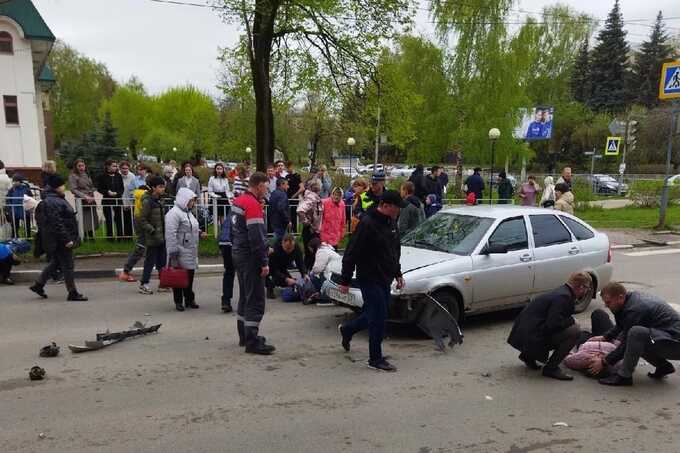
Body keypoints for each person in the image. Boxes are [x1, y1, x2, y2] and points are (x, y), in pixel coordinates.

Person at [338, 191, 405, 372]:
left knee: (372, 314)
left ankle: (348, 330)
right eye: (397, 208)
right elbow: (351, 252)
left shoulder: (391, 222)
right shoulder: (368, 224)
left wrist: (398, 273)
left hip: (385, 277)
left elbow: (394, 251)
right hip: (369, 277)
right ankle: (375, 358)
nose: (399, 211)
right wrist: (345, 280)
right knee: (379, 316)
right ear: (386, 206)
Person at [587, 283, 680, 386]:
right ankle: (664, 367)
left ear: (620, 297)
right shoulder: (627, 301)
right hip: (665, 336)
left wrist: (604, 362)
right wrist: (605, 337)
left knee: (636, 333)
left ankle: (624, 377)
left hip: (675, 344)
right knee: (639, 336)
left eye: (608, 302)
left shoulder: (635, 309)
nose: (606, 306)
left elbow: (626, 343)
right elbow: (622, 324)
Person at [507, 272, 593, 380]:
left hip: (523, 335)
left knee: (569, 327)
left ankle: (528, 356)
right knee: (575, 331)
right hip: (531, 338)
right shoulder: (564, 297)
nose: (586, 292)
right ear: (581, 287)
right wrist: (572, 321)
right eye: (587, 288)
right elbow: (552, 325)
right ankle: (551, 368)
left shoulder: (561, 291)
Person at [231, 172, 275, 355]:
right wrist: (264, 261)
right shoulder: (252, 205)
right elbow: (256, 238)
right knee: (256, 299)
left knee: (245, 296)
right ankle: (252, 341)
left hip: (239, 253)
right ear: (258, 186)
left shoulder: (239, 201)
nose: (267, 190)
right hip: (250, 257)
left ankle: (244, 336)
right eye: (266, 186)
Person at [30, 175, 88, 301]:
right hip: (61, 240)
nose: (64, 187)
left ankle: (38, 284)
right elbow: (57, 223)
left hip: (57, 239)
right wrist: (67, 239)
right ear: (56, 186)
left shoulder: (54, 199)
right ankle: (72, 292)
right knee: (68, 265)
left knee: (56, 262)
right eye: (62, 185)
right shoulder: (53, 201)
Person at [165, 187, 203, 311]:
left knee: (189, 276)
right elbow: (171, 233)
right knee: (178, 277)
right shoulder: (174, 213)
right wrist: (173, 252)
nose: (193, 203)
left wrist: (199, 232)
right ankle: (178, 301)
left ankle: (189, 299)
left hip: (190, 249)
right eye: (192, 200)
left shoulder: (187, 212)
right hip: (179, 250)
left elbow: (190, 227)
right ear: (184, 200)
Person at [136, 176, 167, 295]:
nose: (163, 189)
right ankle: (144, 284)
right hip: (152, 237)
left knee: (162, 261)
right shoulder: (148, 201)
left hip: (161, 236)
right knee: (150, 261)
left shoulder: (160, 199)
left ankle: (163, 283)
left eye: (163, 186)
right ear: (154, 188)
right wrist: (152, 230)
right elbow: (142, 219)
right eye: (160, 187)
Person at [266, 234, 307, 299]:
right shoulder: (275, 249)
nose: (289, 251)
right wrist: (286, 278)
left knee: (291, 283)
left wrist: (304, 274)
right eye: (287, 248)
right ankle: (270, 288)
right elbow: (274, 270)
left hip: (283, 267)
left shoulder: (296, 248)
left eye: (291, 248)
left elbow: (300, 263)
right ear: (282, 243)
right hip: (271, 269)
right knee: (273, 279)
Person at [297, 179, 323, 271]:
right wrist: (308, 223)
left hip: (314, 230)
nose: (318, 187)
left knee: (312, 255)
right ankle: (307, 277)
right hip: (311, 231)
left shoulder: (314, 197)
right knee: (311, 255)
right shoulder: (311, 197)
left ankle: (307, 276)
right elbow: (300, 210)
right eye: (316, 185)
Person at [69, 159, 99, 238]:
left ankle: (91, 235)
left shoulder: (86, 174)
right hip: (81, 200)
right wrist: (84, 196)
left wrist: (93, 191)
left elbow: (90, 186)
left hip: (91, 199)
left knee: (92, 217)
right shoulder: (73, 176)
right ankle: (84, 236)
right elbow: (73, 189)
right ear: (76, 167)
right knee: (84, 219)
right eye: (79, 166)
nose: (81, 167)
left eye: (83, 165)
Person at [96, 160, 125, 240]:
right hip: (107, 200)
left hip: (118, 200)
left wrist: (117, 193)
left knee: (119, 218)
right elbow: (99, 188)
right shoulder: (102, 176)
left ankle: (120, 237)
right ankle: (110, 237)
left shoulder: (118, 176)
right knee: (108, 219)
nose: (116, 168)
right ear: (108, 166)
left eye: (116, 166)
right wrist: (107, 192)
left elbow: (122, 188)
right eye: (114, 166)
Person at [218, 208, 235, 313]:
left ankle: (226, 301)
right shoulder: (248, 206)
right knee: (246, 273)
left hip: (224, 242)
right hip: (235, 243)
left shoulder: (232, 209)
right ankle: (248, 300)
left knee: (229, 271)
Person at [5, 174, 32, 238]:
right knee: (14, 227)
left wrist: (28, 209)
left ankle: (28, 238)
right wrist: (10, 209)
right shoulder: (11, 190)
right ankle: (15, 238)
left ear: (20, 181)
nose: (13, 183)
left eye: (15, 181)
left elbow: (30, 198)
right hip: (14, 211)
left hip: (24, 211)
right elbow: (8, 199)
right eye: (13, 181)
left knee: (27, 226)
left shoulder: (26, 189)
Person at [268, 178, 290, 242]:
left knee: (278, 239)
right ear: (281, 185)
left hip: (274, 221)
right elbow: (281, 208)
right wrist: (287, 220)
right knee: (281, 241)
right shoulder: (283, 194)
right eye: (286, 184)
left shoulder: (273, 193)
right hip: (281, 222)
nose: (288, 186)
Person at [119, 161, 136, 236]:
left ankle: (129, 236)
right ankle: (121, 235)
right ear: (120, 168)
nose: (125, 170)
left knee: (129, 219)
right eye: (123, 168)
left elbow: (133, 190)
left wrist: (130, 203)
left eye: (126, 168)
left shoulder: (132, 176)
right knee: (119, 219)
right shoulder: (118, 175)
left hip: (130, 201)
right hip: (119, 200)